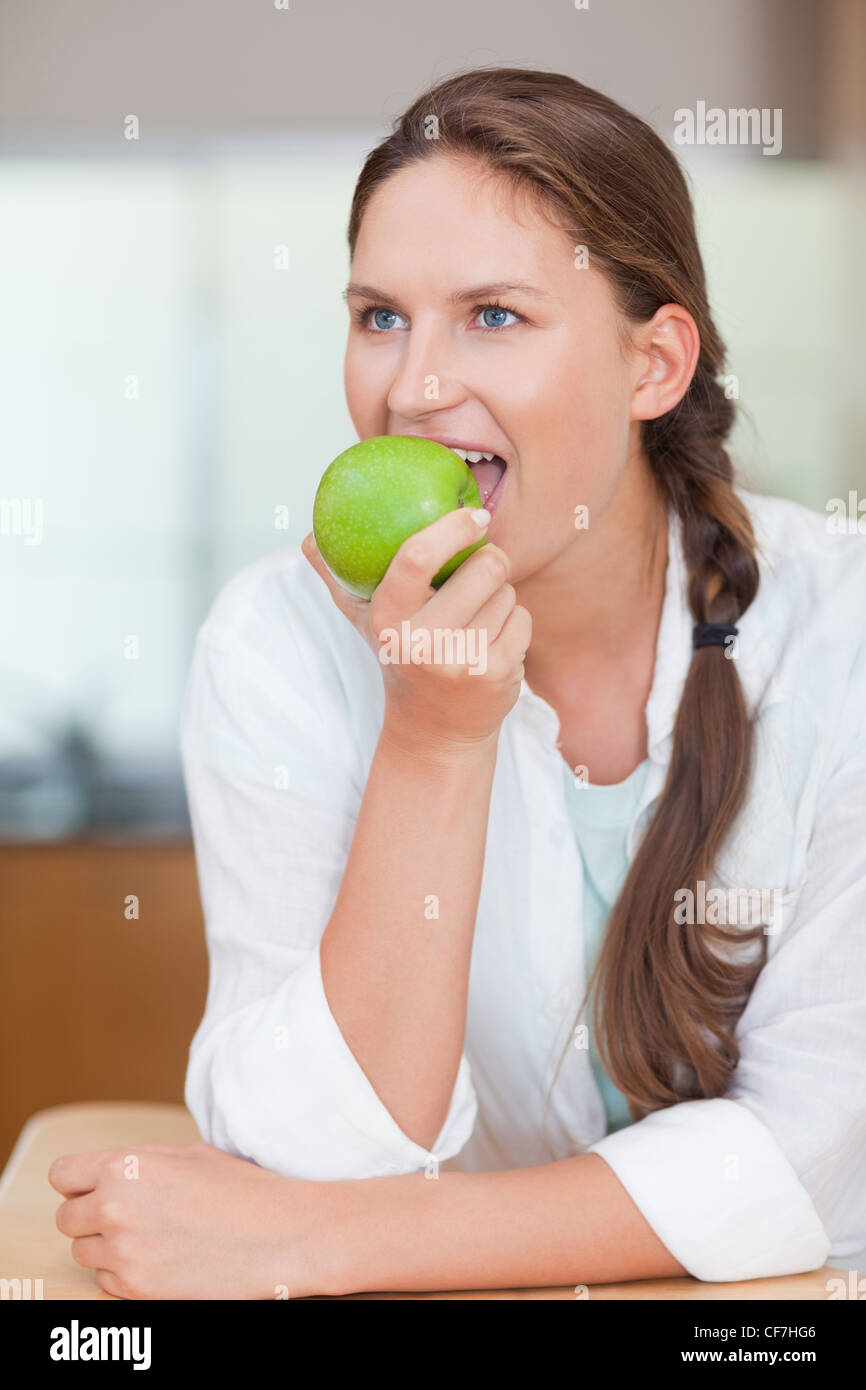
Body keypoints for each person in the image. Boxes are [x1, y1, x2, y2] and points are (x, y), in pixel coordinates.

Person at [50, 67, 866, 1301]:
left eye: (492, 315)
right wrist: (432, 745)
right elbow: (304, 1152)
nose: (412, 388)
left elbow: (820, 1158)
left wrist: (326, 1243)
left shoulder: (837, 625)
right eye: (379, 315)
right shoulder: (274, 645)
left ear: (653, 365)